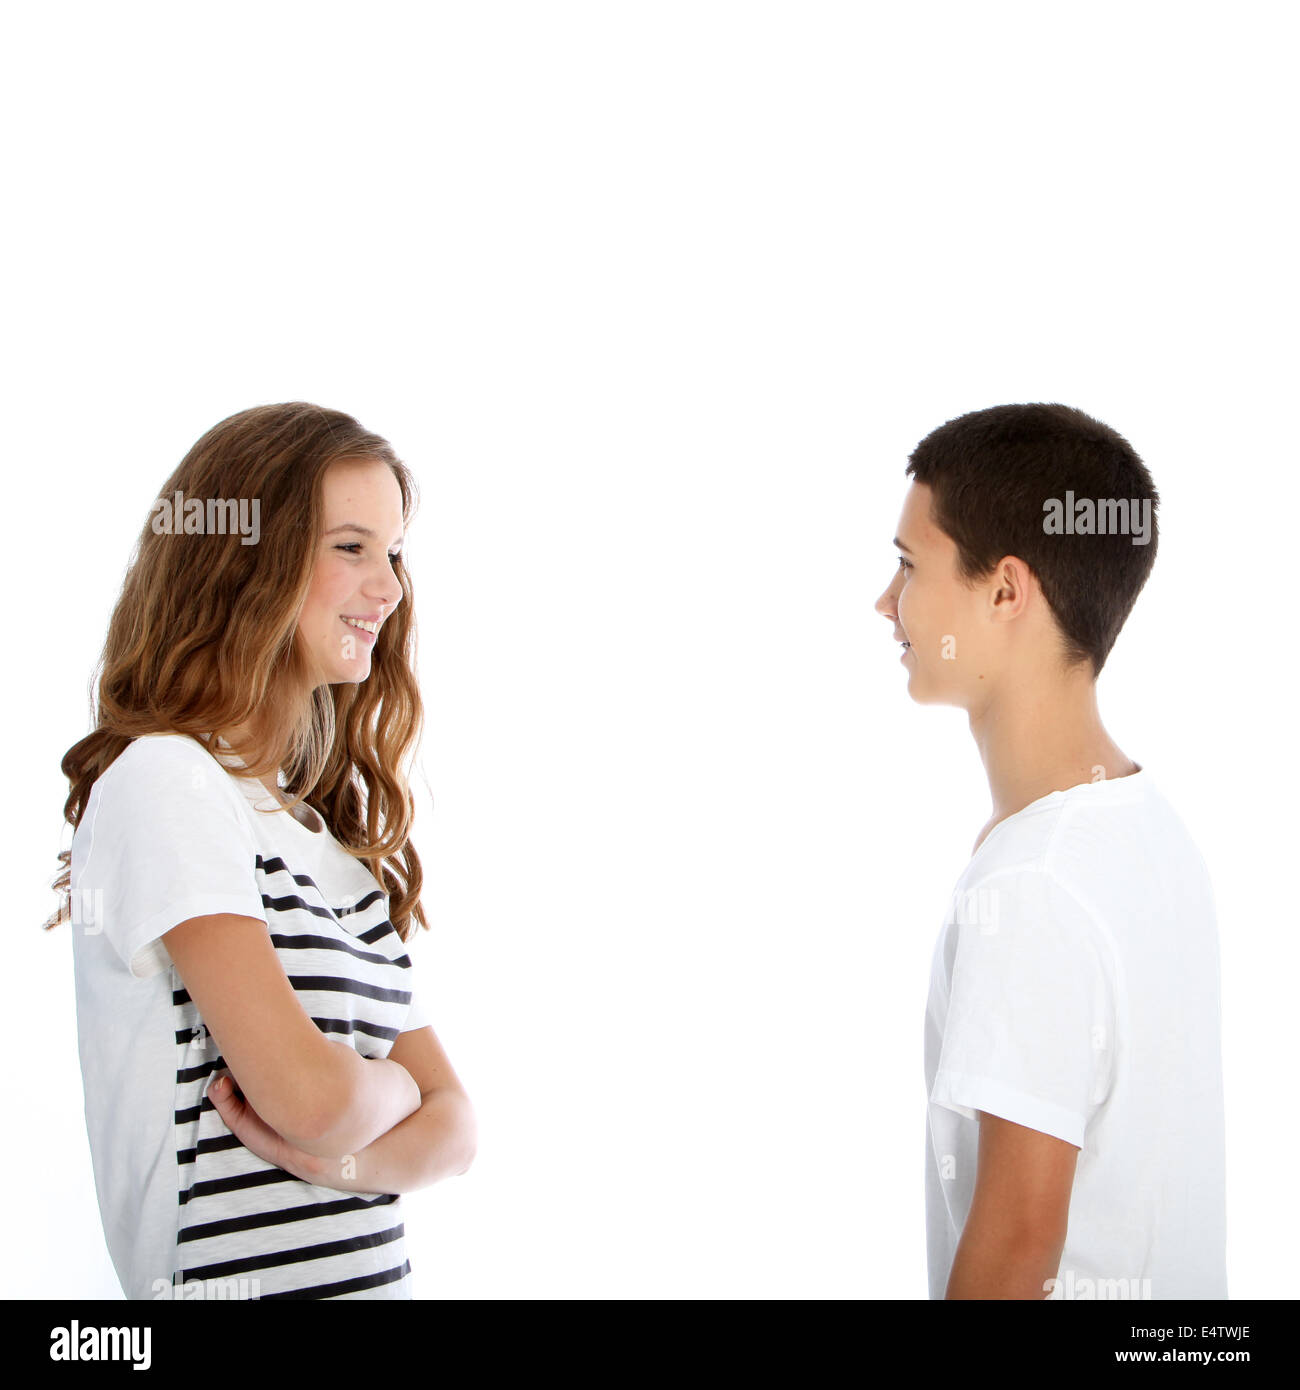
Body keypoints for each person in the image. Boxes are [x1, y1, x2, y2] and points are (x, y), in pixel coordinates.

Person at [48, 402, 475, 1300]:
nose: (390, 587)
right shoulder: (168, 782)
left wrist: (338, 1161)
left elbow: (458, 1132)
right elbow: (311, 1101)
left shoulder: (328, 841)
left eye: (392, 552)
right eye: (350, 547)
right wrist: (393, 1091)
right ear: (247, 562)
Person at [875, 403, 1226, 1300]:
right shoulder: (1144, 824)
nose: (886, 602)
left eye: (910, 565)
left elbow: (1019, 1245)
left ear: (1004, 592)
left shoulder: (1034, 881)